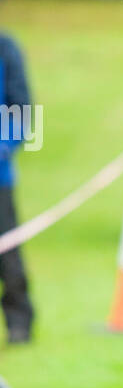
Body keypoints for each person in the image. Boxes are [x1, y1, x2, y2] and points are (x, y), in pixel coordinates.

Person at [0, 25, 35, 343]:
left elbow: (20, 107)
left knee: (8, 251)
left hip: (0, 176)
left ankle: (19, 322)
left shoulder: (6, 50)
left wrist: (5, 144)